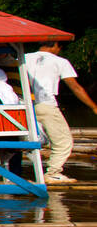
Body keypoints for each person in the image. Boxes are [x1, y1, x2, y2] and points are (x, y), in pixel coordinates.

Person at [25, 40, 97, 184]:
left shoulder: (24, 57)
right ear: (55, 45)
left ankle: (30, 172)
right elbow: (75, 87)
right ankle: (53, 173)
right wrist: (93, 107)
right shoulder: (60, 61)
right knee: (64, 142)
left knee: (36, 139)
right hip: (46, 104)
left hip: (25, 105)